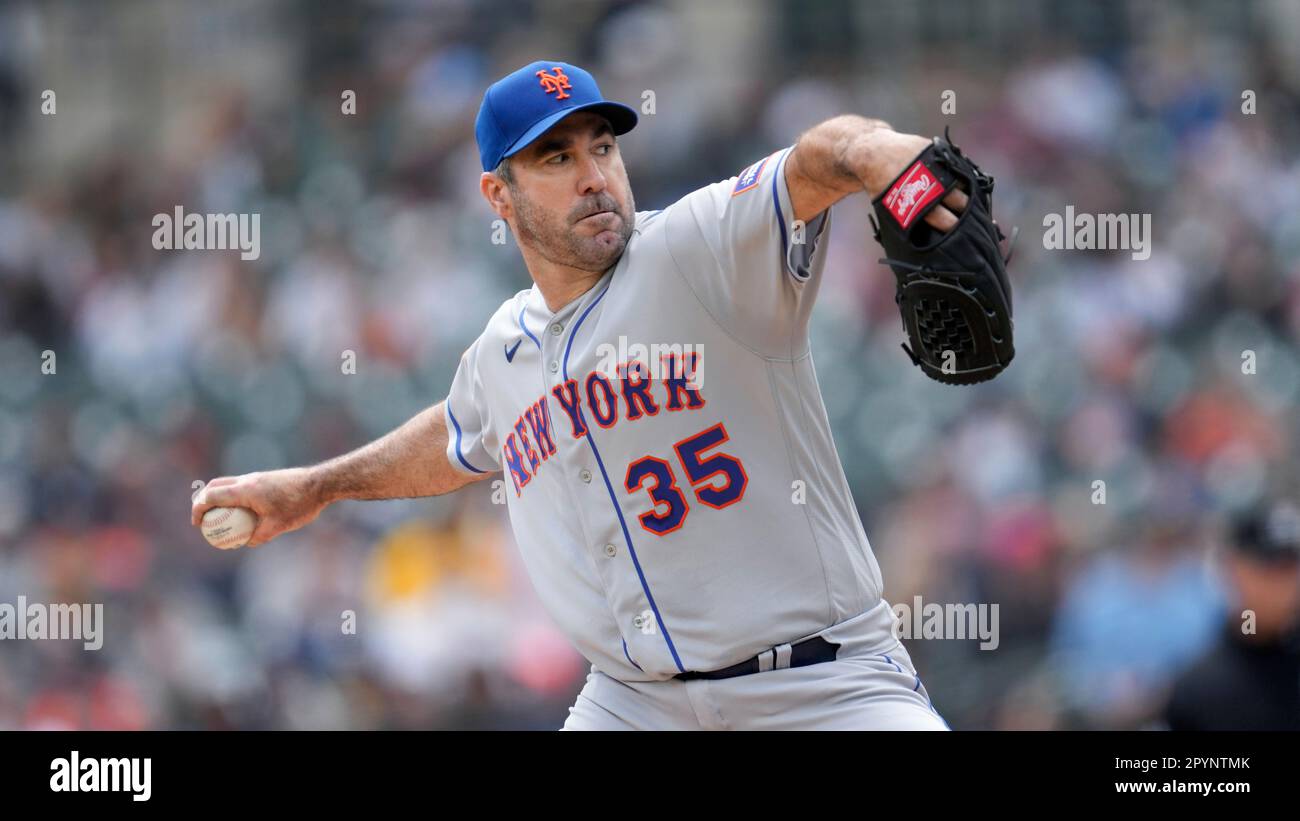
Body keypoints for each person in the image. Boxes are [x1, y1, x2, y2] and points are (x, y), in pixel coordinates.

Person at [192, 60, 971, 730]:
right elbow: (462, 432)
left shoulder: (695, 250)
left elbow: (816, 158)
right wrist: (315, 486)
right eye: (557, 157)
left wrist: (876, 152)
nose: (595, 174)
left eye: (603, 146)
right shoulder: (503, 346)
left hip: (821, 682)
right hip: (635, 704)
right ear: (500, 197)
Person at [1163, 500, 1300, 731]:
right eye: (1268, 568)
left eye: (1290, 567)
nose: (1282, 585)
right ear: (1232, 568)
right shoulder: (1199, 687)